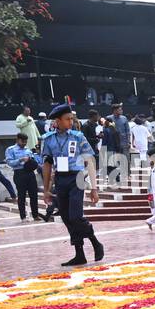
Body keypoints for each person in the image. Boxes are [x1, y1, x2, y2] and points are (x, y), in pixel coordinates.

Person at [39, 105, 102, 266]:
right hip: (60, 179)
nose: (71, 122)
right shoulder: (48, 139)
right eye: (67, 119)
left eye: (72, 119)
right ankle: (79, 254)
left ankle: (95, 241)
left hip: (77, 177)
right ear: (57, 121)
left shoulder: (78, 136)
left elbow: (90, 161)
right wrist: (46, 190)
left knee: (75, 216)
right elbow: (46, 165)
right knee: (67, 218)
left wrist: (94, 188)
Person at [5, 132, 42, 221]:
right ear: (17, 140)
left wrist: (31, 160)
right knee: (21, 195)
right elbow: (10, 162)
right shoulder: (11, 150)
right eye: (22, 141)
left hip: (30, 173)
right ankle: (23, 216)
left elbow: (33, 160)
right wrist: (20, 159)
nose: (24, 143)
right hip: (19, 173)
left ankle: (35, 215)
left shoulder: (28, 150)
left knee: (34, 194)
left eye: (25, 141)